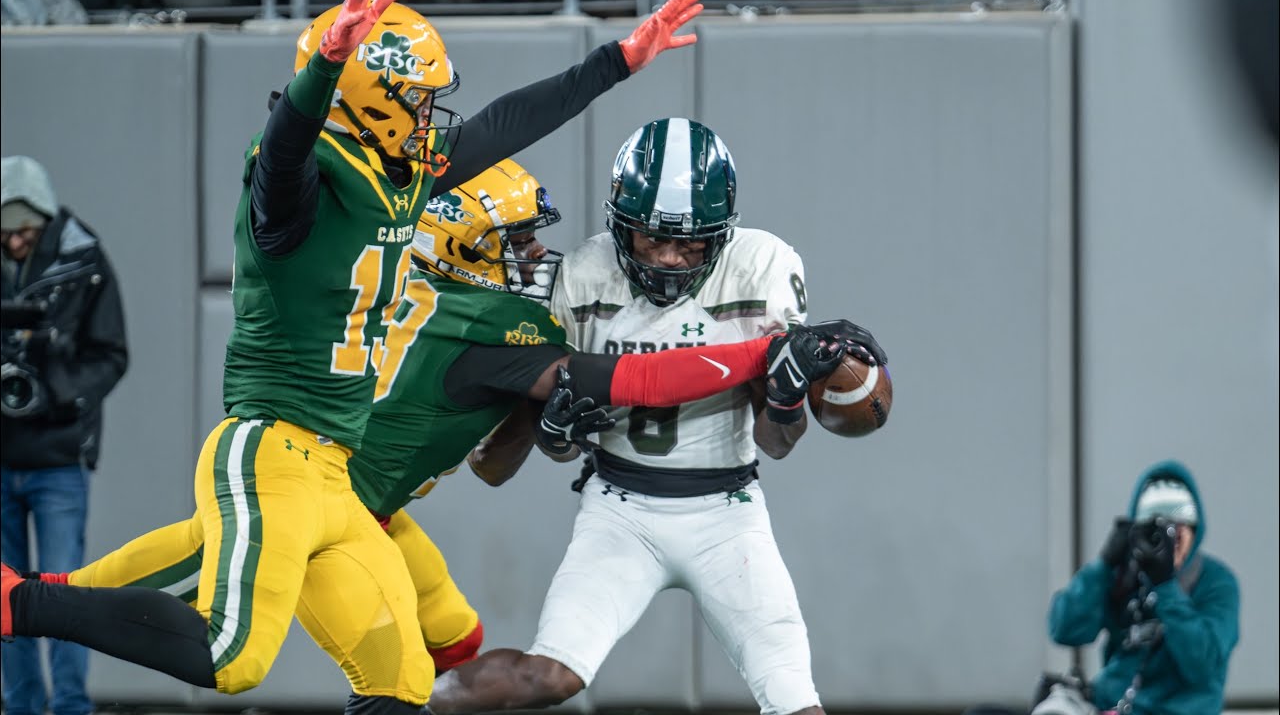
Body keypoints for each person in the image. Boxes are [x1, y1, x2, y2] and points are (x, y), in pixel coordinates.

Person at [1, 0, 705, 711]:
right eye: (419, 101)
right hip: (272, 449)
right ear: (369, 101)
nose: (433, 116)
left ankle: (40, 595)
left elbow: (505, 122)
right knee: (233, 656)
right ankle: (20, 604)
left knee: (401, 682)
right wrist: (324, 72)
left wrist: (617, 61)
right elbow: (281, 157)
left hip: (335, 476)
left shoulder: (398, 176)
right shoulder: (296, 187)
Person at [10, 157, 849, 681]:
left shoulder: (428, 291)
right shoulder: (495, 326)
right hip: (320, 488)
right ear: (468, 244)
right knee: (231, 634)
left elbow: (494, 456)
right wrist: (765, 353)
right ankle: (32, 600)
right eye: (515, 242)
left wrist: (545, 423)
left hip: (365, 495)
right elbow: (635, 377)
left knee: (453, 631)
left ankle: (40, 596)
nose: (533, 257)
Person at [425, 118, 889, 715]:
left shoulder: (762, 266)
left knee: (795, 700)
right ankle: (409, 702)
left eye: (691, 242)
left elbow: (776, 444)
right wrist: (556, 433)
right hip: (618, 510)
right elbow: (535, 447)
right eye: (649, 239)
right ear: (619, 225)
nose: (669, 258)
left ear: (723, 235)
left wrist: (786, 393)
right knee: (550, 677)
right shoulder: (584, 274)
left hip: (729, 514)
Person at [0, 156, 128, 715]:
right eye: (4, 231)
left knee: (62, 594)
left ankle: (72, 707)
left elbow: (112, 355)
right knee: (5, 602)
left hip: (58, 459)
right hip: (0, 458)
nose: (14, 242)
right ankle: (21, 706)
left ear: (45, 222)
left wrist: (54, 388)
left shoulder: (85, 261)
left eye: (24, 230)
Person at [1037, 461, 1240, 715]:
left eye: (1176, 533)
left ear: (1194, 532)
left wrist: (1166, 588)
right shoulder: (1125, 575)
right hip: (1114, 705)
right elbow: (1063, 629)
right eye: (1154, 531)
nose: (1165, 543)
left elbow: (1202, 666)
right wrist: (1103, 565)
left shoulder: (1215, 581)